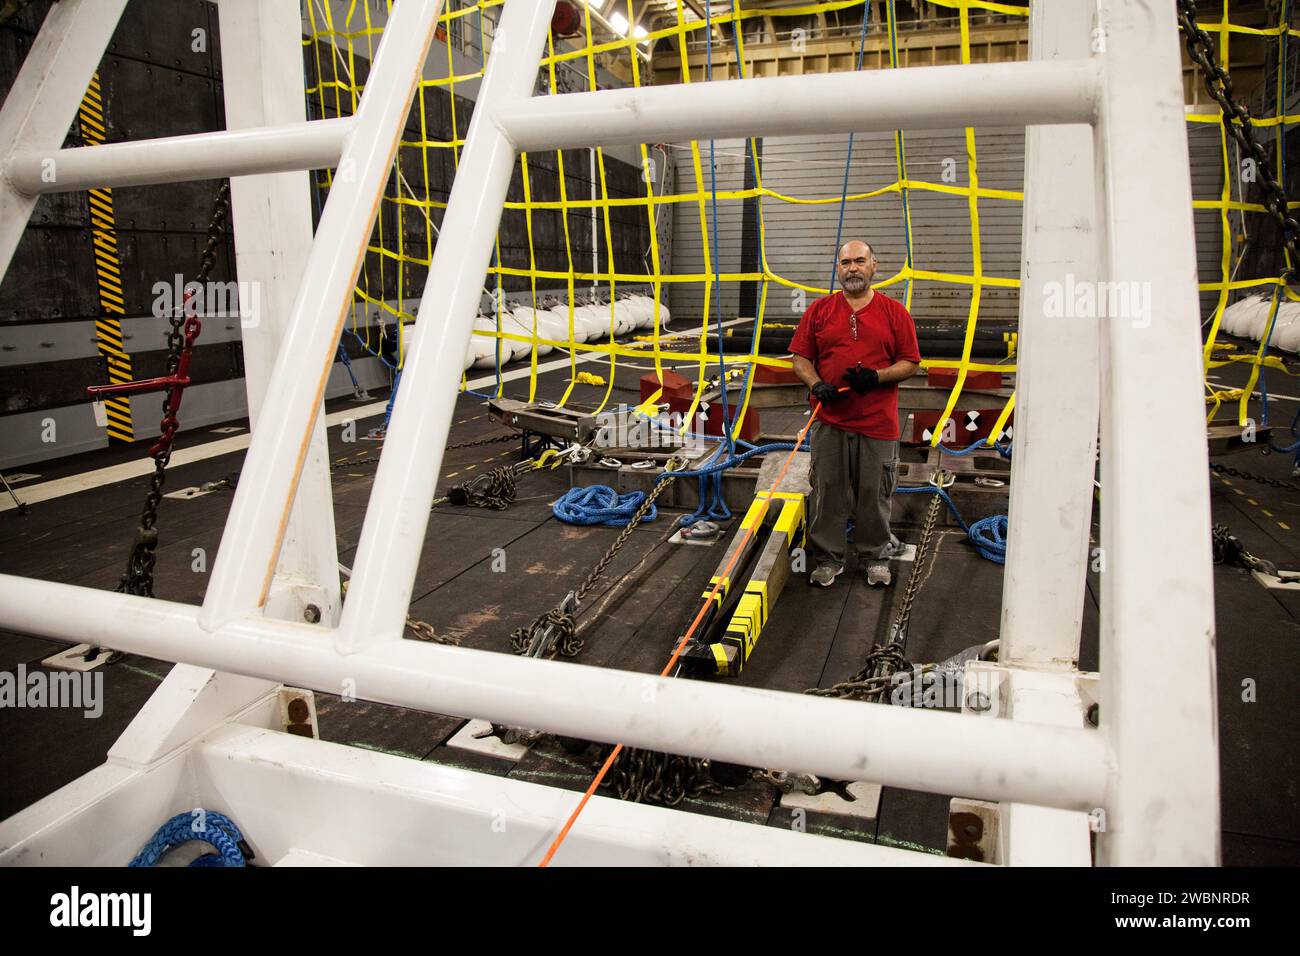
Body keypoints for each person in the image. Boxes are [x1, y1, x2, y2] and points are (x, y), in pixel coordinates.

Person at [788, 240, 921, 587]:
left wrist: (876, 377)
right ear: (838, 269)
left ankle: (875, 556)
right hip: (830, 421)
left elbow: (910, 363)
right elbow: (799, 358)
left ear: (874, 266)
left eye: (859, 261)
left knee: (874, 494)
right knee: (828, 490)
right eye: (845, 262)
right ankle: (829, 559)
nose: (852, 268)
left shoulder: (895, 313)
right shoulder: (819, 311)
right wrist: (817, 384)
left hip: (878, 424)